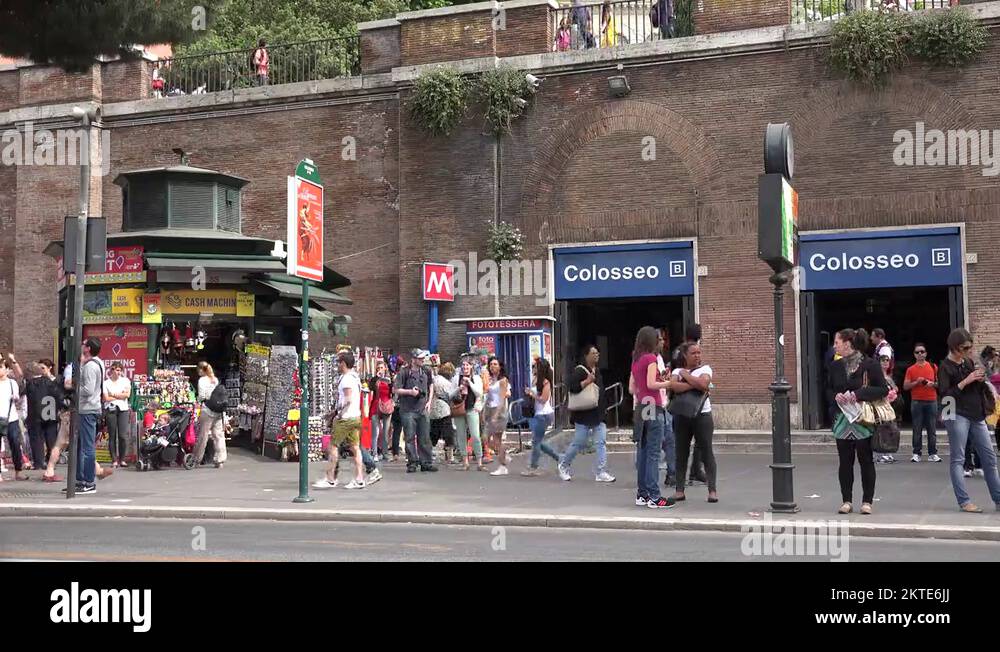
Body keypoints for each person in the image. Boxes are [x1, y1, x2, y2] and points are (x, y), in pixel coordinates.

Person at [938, 328, 1000, 513]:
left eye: (970, 348)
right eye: (966, 348)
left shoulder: (968, 362)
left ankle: (998, 498)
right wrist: (966, 381)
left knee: (989, 457)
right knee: (958, 458)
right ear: (955, 348)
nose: (969, 351)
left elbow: (977, 387)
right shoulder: (945, 367)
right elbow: (945, 396)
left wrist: (980, 378)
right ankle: (964, 501)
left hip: (976, 414)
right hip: (957, 414)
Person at [829, 328, 889, 516]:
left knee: (865, 460)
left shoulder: (870, 364)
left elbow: (882, 389)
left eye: (836, 342)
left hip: (863, 419)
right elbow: (827, 389)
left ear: (847, 343)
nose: (834, 346)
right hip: (842, 420)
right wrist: (835, 396)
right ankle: (846, 500)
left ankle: (867, 501)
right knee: (844, 462)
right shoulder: (835, 366)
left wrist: (857, 394)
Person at [630, 327, 675, 508]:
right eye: (658, 338)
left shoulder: (636, 359)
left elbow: (634, 387)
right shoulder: (651, 358)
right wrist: (668, 383)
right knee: (654, 452)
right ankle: (655, 497)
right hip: (653, 405)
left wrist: (659, 377)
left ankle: (642, 494)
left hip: (642, 405)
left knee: (643, 450)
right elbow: (651, 383)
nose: (660, 341)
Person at [670, 341, 718, 503]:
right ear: (685, 355)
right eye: (693, 353)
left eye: (699, 353)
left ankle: (712, 490)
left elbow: (704, 383)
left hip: (702, 415)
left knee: (706, 452)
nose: (697, 356)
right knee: (681, 452)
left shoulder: (705, 369)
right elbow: (674, 387)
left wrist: (686, 377)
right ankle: (679, 490)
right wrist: (695, 385)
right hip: (682, 416)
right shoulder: (677, 370)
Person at [560, 345, 615, 482]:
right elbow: (572, 387)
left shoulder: (598, 371)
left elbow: (600, 391)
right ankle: (564, 465)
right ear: (586, 355)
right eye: (593, 353)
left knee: (601, 442)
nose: (597, 355)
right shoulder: (580, 370)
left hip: (598, 413)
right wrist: (586, 381)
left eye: (597, 352)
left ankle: (601, 471)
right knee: (578, 442)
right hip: (583, 414)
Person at [313, 351, 367, 489]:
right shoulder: (355, 377)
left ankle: (330, 478)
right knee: (355, 448)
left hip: (346, 419)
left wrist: (339, 414)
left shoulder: (347, 379)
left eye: (338, 362)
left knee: (333, 446)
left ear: (343, 363)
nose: (337, 365)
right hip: (355, 417)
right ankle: (359, 479)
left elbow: (347, 400)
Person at [672, 323, 706, 484]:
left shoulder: (678, 350)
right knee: (695, 437)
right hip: (690, 398)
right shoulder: (685, 350)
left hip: (680, 396)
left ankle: (681, 474)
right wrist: (697, 384)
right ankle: (693, 470)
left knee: (681, 441)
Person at [394, 349, 437, 473]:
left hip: (422, 409)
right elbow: (396, 390)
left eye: (423, 358)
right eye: (420, 358)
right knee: (410, 437)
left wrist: (429, 401)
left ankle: (426, 462)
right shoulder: (404, 372)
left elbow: (431, 385)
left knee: (424, 437)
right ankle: (412, 462)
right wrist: (410, 392)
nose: (422, 360)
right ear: (413, 359)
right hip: (407, 410)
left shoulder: (426, 371)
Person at [521, 357, 561, 477]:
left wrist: (532, 394)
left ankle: (533, 467)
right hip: (537, 414)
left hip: (544, 415)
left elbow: (544, 399)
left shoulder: (545, 382)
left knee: (536, 442)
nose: (532, 368)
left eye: (534, 366)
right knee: (539, 442)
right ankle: (560, 459)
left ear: (540, 368)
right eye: (532, 366)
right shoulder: (535, 380)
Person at [75, 338, 105, 494]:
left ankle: (88, 482)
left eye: (84, 344)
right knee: (81, 446)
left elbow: (88, 390)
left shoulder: (90, 367)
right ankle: (81, 480)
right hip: (90, 408)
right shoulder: (99, 363)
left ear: (88, 349)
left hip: (87, 409)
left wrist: (74, 386)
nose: (81, 345)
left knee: (86, 447)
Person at [903, 343, 941, 463]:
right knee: (917, 428)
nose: (920, 354)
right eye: (917, 352)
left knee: (932, 428)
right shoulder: (910, 369)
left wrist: (932, 384)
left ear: (926, 353)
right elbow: (905, 386)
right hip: (917, 401)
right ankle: (916, 453)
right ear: (914, 355)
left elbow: (940, 384)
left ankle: (932, 453)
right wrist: (916, 382)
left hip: (931, 400)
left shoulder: (933, 367)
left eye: (922, 351)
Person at [26, 359, 62, 473]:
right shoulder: (51, 382)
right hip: (50, 414)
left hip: (35, 415)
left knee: (37, 439)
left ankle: (38, 463)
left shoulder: (30, 383)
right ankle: (51, 462)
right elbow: (58, 396)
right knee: (51, 439)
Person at [193, 362, 226, 470]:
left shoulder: (202, 380)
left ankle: (197, 459)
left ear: (201, 370)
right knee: (218, 435)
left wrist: (197, 401)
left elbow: (203, 396)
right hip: (218, 411)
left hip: (207, 410)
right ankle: (220, 460)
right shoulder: (215, 379)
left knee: (203, 435)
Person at [0, 359, 28, 481]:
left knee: (15, 444)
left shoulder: (12, 383)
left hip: (11, 418)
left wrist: (15, 398)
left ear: (6, 369)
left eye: (1, 367)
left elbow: (17, 399)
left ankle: (18, 471)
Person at [483, 356, 511, 476]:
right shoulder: (491, 380)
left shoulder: (503, 380)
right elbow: (487, 395)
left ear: (500, 366)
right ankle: (504, 455)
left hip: (499, 411)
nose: (492, 366)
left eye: (495, 364)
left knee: (497, 440)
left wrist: (496, 414)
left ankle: (502, 466)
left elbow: (502, 399)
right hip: (490, 409)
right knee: (486, 438)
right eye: (491, 364)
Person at [103, 362, 132, 468]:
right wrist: (120, 395)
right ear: (111, 370)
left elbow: (127, 395)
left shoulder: (125, 381)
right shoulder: (106, 383)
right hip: (110, 409)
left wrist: (113, 394)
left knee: (123, 435)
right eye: (115, 369)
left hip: (123, 409)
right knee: (112, 435)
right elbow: (106, 398)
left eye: (119, 370)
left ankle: (122, 459)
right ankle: (114, 460)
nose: (118, 372)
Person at [874, 354, 902, 465]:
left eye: (887, 360)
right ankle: (880, 454)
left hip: (890, 406)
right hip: (880, 405)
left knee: (890, 429)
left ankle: (888, 451)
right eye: (883, 360)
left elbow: (895, 388)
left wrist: (894, 392)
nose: (885, 362)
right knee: (880, 429)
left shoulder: (889, 377)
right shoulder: (876, 376)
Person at [429, 361, 458, 464]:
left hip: (433, 409)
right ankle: (450, 457)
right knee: (448, 433)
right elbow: (451, 396)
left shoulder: (435, 379)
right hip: (444, 409)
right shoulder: (446, 382)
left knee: (433, 432)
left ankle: (428, 453)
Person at [368, 360, 394, 461]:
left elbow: (394, 390)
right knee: (376, 431)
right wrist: (376, 378)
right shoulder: (375, 379)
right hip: (376, 406)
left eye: (381, 368)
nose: (380, 370)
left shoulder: (389, 379)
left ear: (385, 368)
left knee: (386, 431)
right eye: (378, 368)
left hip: (386, 405)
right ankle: (374, 453)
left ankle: (385, 453)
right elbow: (371, 388)